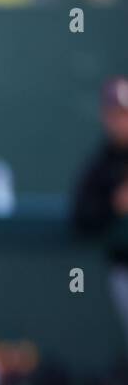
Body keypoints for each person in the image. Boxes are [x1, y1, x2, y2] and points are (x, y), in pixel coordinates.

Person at [71, 75, 128, 354]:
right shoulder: (103, 162)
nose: (122, 121)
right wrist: (114, 205)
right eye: (116, 114)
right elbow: (82, 216)